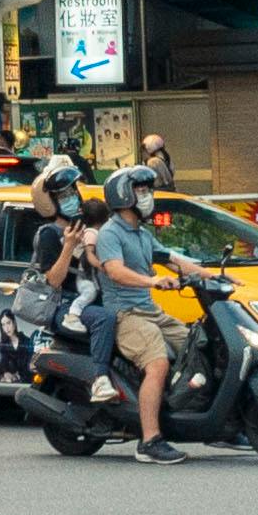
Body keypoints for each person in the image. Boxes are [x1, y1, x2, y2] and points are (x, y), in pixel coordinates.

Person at [89, 172, 183, 459]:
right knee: (157, 364)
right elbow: (115, 271)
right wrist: (152, 281)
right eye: (141, 190)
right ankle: (150, 441)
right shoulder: (109, 233)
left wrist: (216, 277)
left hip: (151, 311)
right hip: (125, 315)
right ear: (123, 196)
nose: (147, 196)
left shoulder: (142, 234)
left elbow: (174, 260)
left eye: (147, 190)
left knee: (196, 344)